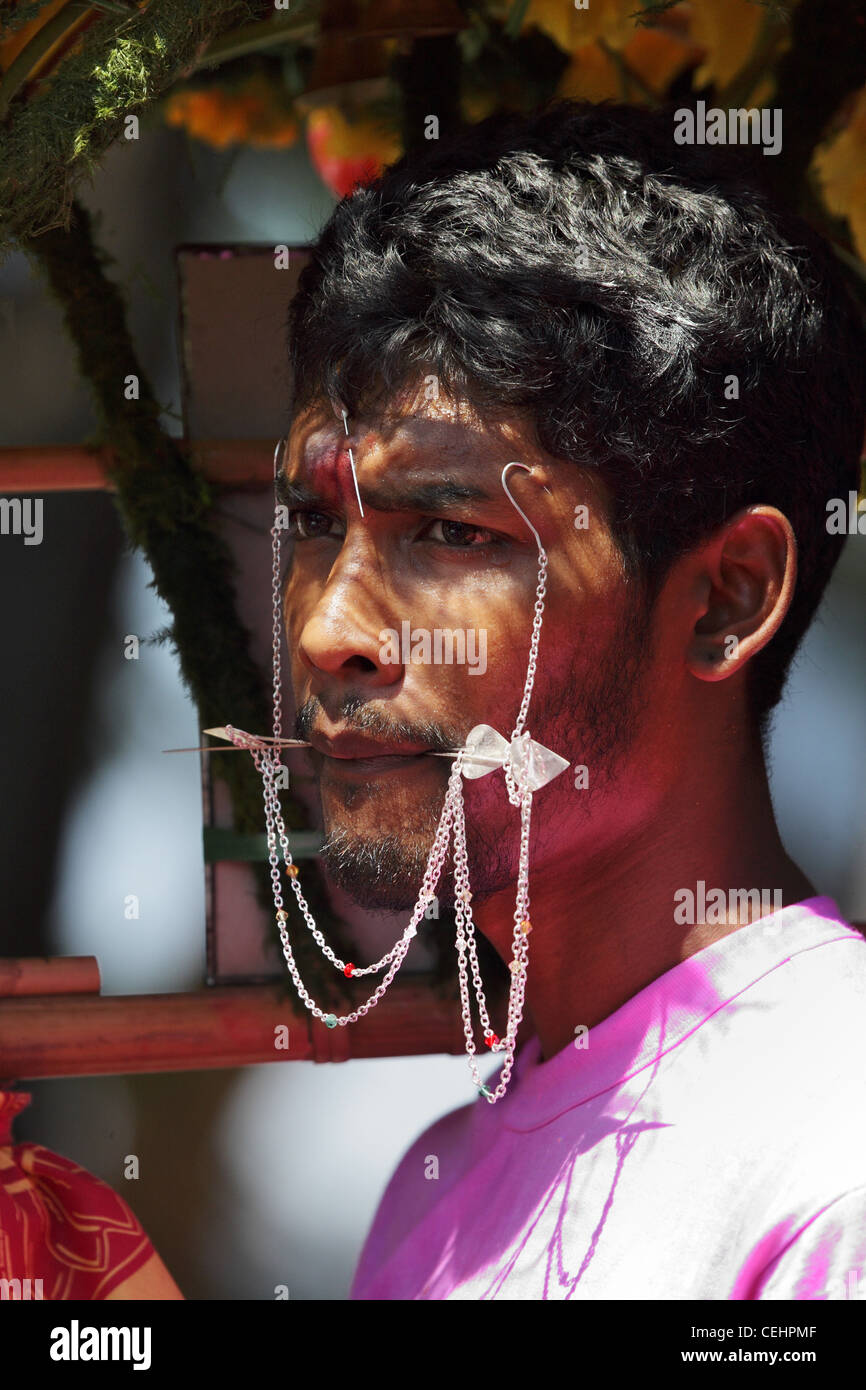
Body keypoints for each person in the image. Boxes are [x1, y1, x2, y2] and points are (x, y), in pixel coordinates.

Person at [277, 101, 866, 1299]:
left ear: (723, 598)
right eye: (312, 523)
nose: (330, 629)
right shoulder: (430, 1194)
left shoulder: (831, 1157)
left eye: (450, 531)